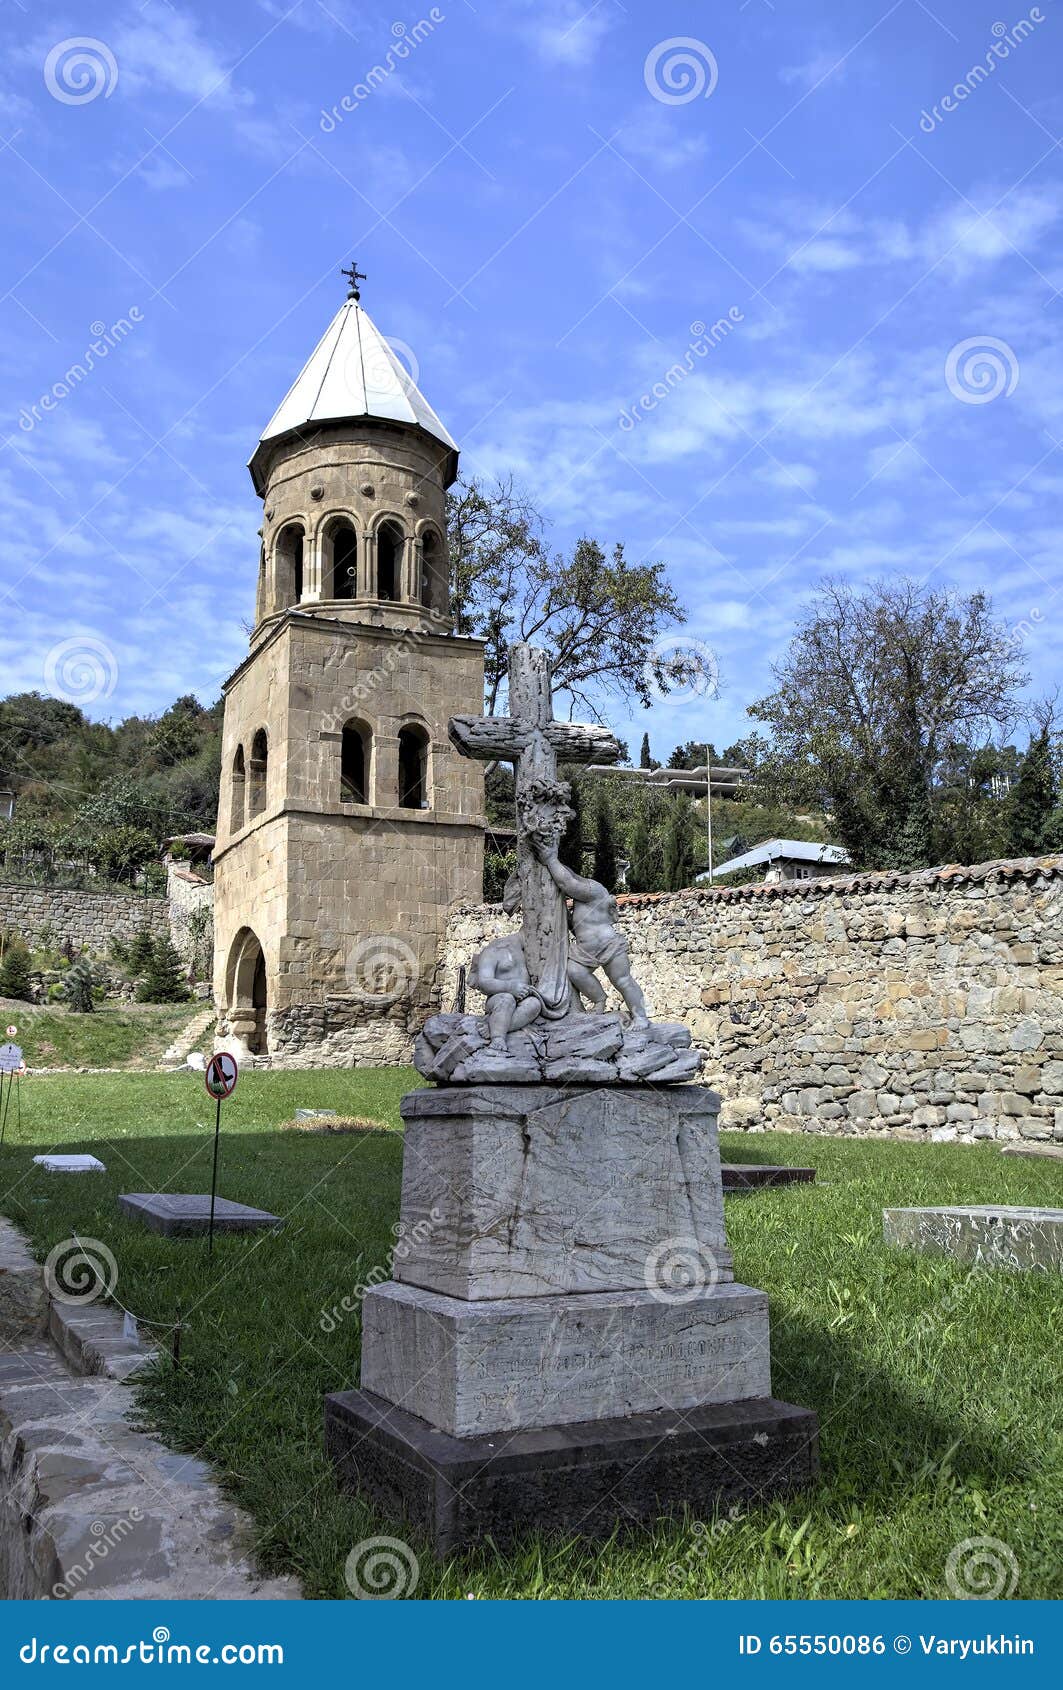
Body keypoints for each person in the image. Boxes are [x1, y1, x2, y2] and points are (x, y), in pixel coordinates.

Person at [531, 837, 650, 1027]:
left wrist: (551, 859)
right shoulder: (580, 901)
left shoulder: (594, 890)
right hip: (586, 951)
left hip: (609, 945)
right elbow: (576, 923)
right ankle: (599, 999)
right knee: (573, 971)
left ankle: (641, 1017)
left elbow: (567, 883)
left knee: (623, 980)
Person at [468, 873, 542, 1051]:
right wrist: (510, 987)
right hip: (498, 998)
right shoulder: (496, 949)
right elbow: (484, 982)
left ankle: (495, 1026)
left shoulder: (531, 954)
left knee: (534, 1004)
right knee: (506, 999)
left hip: (522, 1001)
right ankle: (498, 1039)